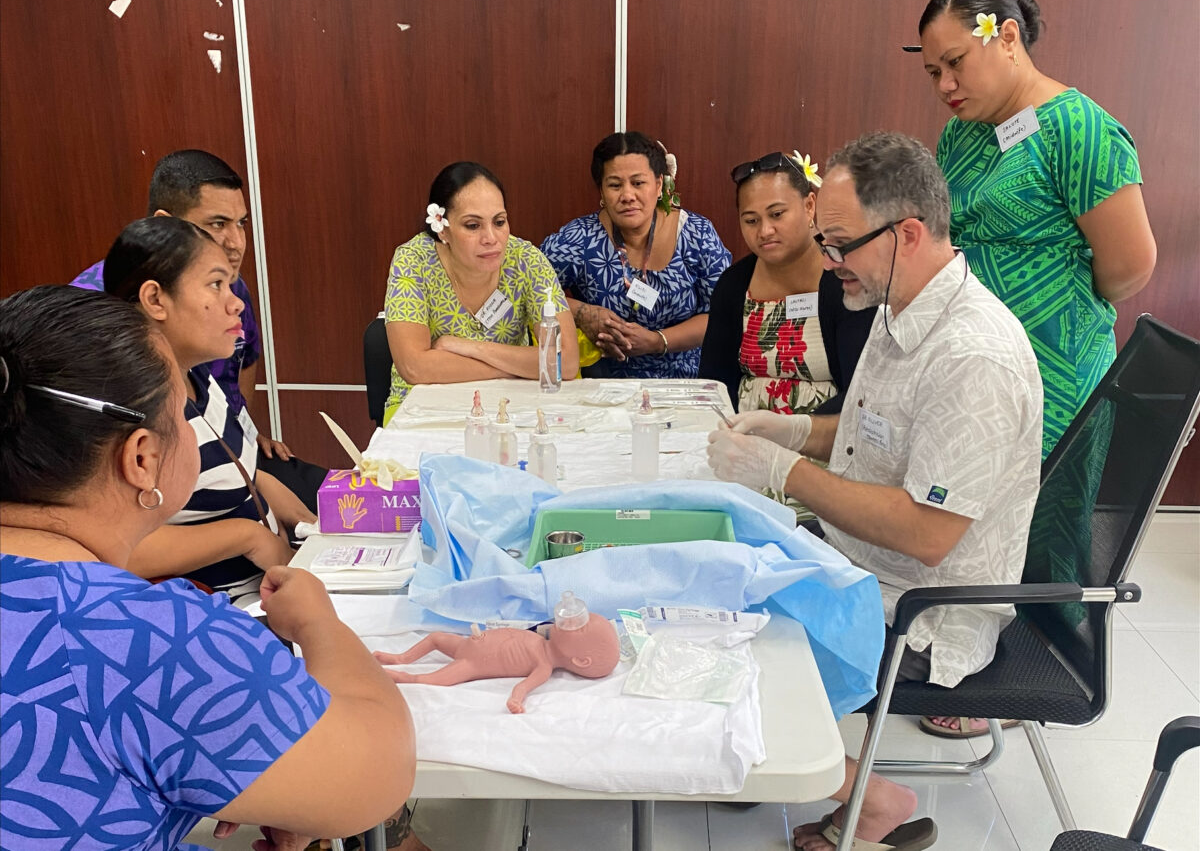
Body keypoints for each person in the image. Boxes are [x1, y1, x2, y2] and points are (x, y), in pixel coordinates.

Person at [706, 132, 1043, 851]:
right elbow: (869, 434)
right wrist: (793, 432)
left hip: (925, 609)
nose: (829, 265)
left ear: (908, 233)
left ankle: (871, 796)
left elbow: (928, 533)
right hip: (861, 560)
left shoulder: (972, 355)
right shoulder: (898, 306)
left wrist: (782, 473)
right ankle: (773, 746)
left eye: (839, 245)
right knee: (711, 557)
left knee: (719, 627)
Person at [0, 284, 416, 851]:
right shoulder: (140, 638)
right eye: (183, 412)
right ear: (142, 458)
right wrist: (318, 623)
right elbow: (377, 772)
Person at [918, 0, 1155, 461]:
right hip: (972, 364)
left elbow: (1131, 265)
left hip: (1052, 376)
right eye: (933, 72)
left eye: (955, 63)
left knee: (1042, 531)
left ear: (1007, 37)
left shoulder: (1078, 127)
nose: (945, 85)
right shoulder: (962, 134)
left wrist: (1052, 296)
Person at [71, 149, 328, 510]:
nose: (236, 243)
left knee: (361, 506)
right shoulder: (91, 316)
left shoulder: (231, 287)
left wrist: (242, 435)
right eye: (218, 224)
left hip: (229, 456)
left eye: (242, 224)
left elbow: (245, 358)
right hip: (160, 490)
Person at [103, 217, 312, 600]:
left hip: (275, 587)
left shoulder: (199, 379)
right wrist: (246, 538)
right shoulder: (130, 414)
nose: (236, 304)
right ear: (154, 300)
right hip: (219, 611)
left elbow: (241, 469)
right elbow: (119, 548)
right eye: (216, 285)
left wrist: (311, 528)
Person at [383, 161, 579, 423]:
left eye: (499, 222)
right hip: (423, 409)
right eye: (473, 226)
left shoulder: (526, 260)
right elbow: (415, 367)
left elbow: (564, 362)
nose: (491, 237)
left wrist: (468, 348)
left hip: (508, 407)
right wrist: (515, 369)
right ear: (443, 228)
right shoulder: (413, 261)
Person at [541, 132, 731, 378]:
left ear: (659, 184)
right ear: (601, 190)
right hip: (600, 391)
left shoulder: (697, 235)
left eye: (638, 183)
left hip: (683, 385)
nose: (627, 195)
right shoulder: (579, 238)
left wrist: (657, 341)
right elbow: (530, 290)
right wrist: (582, 313)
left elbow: (722, 316)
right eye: (615, 185)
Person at [699, 149, 873, 415]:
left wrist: (796, 437)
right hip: (742, 441)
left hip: (826, 442)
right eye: (751, 220)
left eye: (777, 214)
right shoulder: (734, 285)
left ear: (809, 206)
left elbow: (861, 394)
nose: (765, 231)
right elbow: (714, 384)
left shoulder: (845, 280)